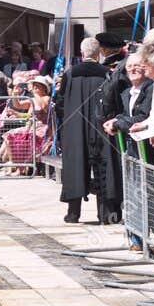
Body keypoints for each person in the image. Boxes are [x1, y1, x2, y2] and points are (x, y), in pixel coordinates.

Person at [57, 35, 109, 223]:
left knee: (75, 166)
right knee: (102, 165)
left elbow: (60, 101)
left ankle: (73, 213)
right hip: (100, 126)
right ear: (99, 53)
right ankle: (105, 213)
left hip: (75, 126)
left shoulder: (70, 74)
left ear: (82, 53)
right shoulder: (106, 73)